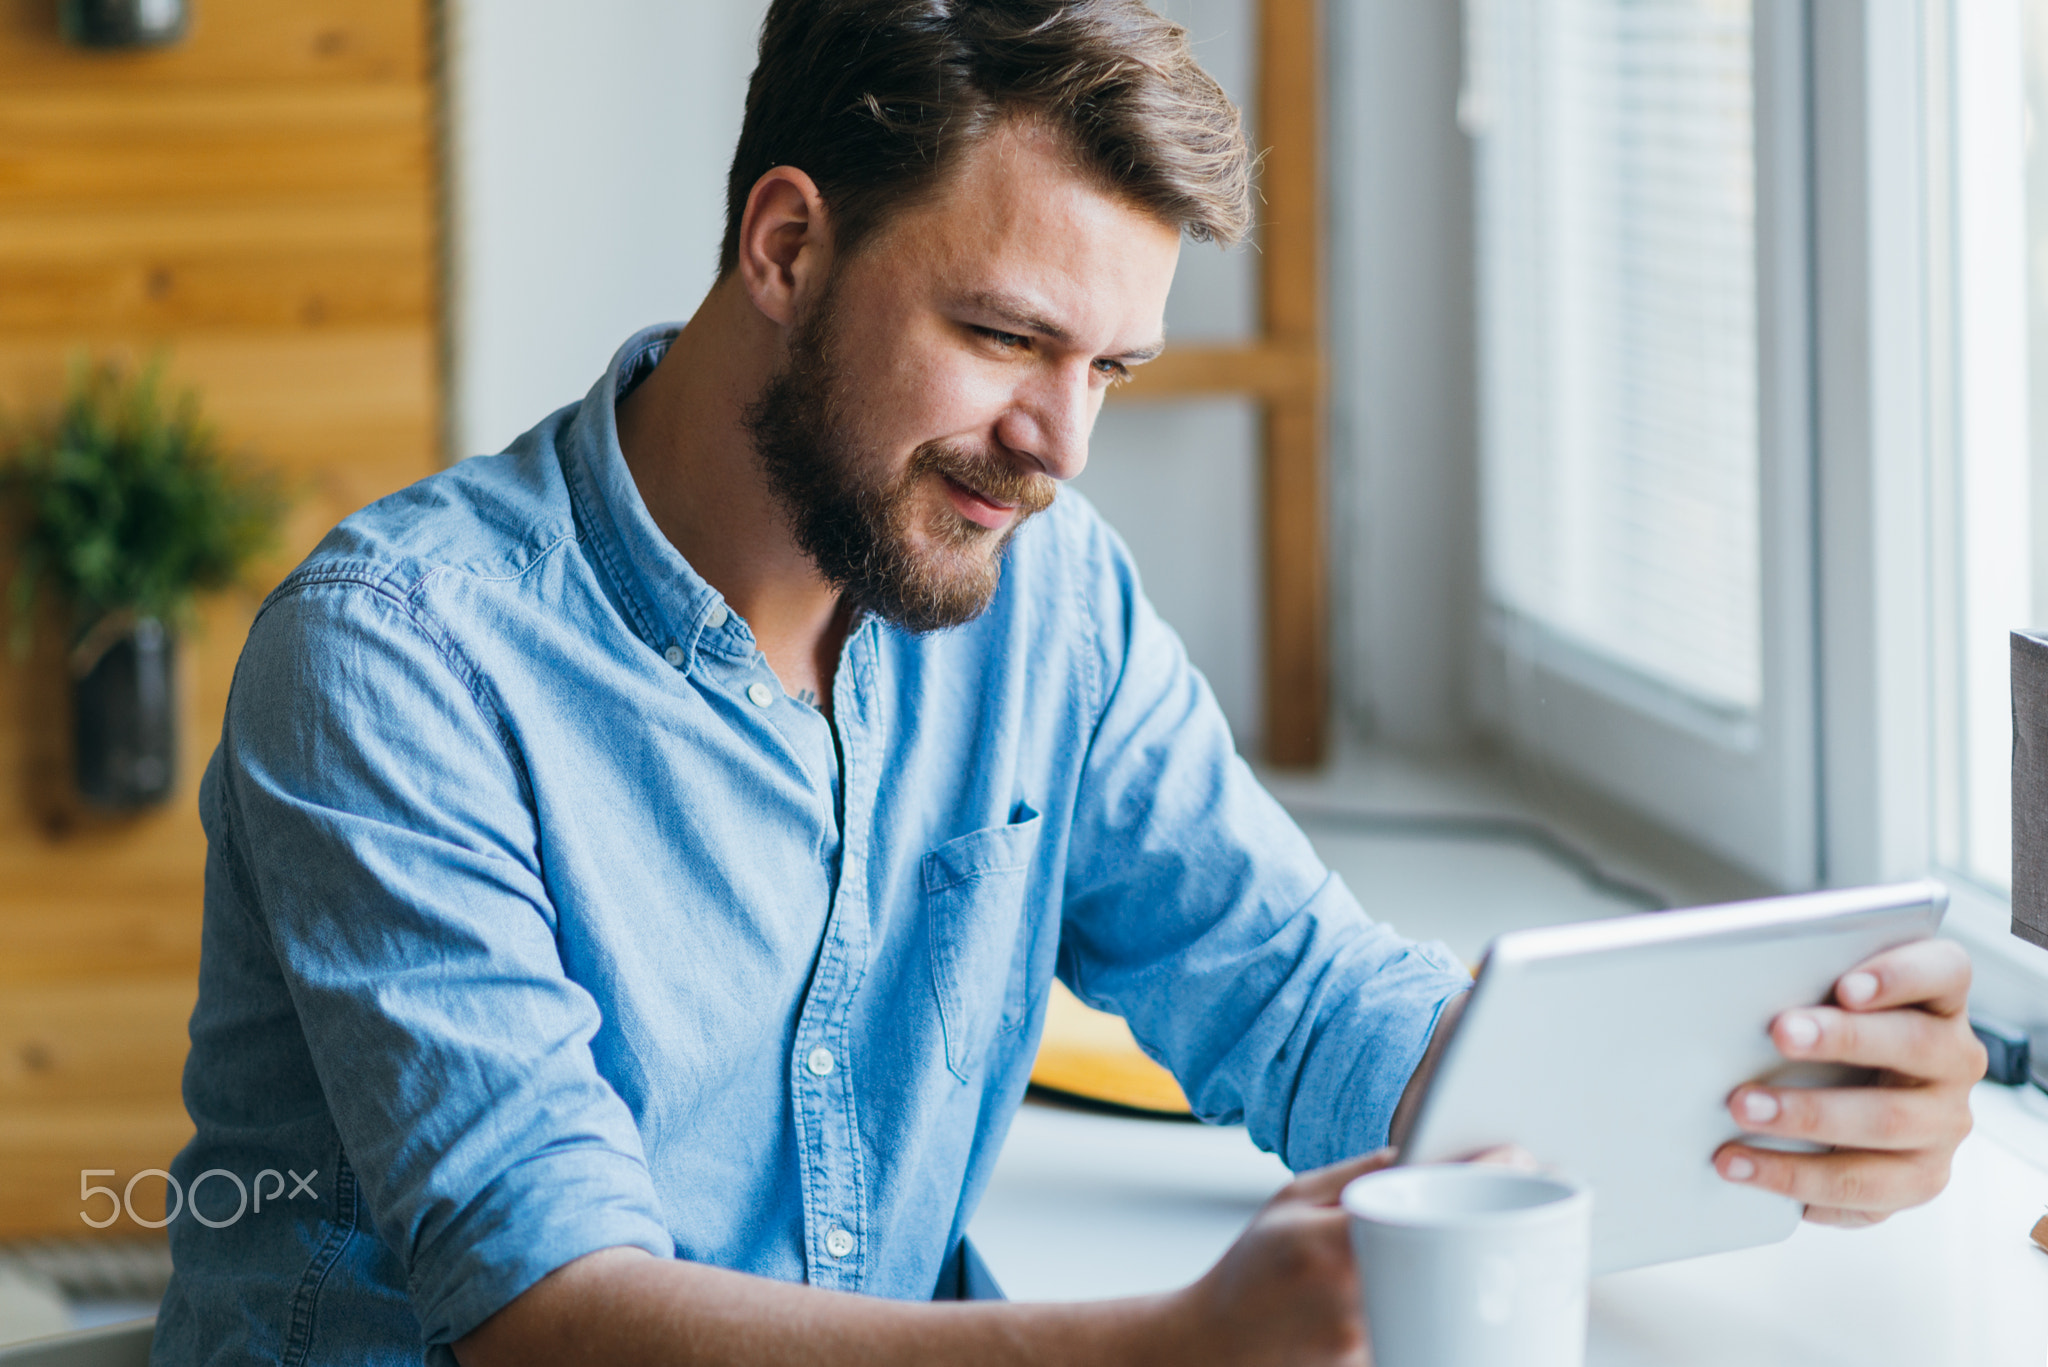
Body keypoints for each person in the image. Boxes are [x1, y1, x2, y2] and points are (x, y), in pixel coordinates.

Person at [152, 2, 1986, 1364]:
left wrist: (1764, 1105)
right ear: (785, 248)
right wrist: (1172, 1347)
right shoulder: (399, 656)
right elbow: (554, 1308)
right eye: (1006, 336)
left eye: (1110, 366)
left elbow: (1298, 999)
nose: (1058, 445)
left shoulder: (1043, 604)